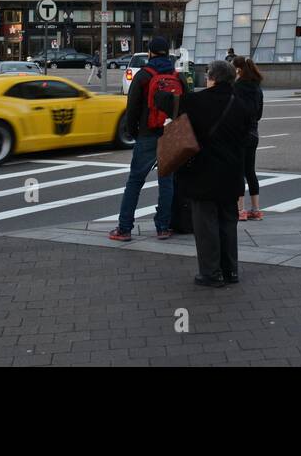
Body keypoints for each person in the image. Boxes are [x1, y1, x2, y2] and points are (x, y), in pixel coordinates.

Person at [155, 60, 252, 287]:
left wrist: (161, 90)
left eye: (208, 76)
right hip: (232, 174)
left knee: (206, 223)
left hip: (203, 175)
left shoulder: (198, 101)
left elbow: (167, 102)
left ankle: (211, 273)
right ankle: (231, 271)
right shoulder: (241, 105)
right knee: (228, 222)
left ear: (213, 78)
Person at [109, 36, 184, 242]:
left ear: (150, 53)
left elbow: (131, 109)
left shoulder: (143, 76)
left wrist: (134, 133)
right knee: (167, 182)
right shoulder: (177, 75)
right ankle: (163, 227)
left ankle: (124, 228)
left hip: (147, 134)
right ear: (167, 53)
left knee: (135, 181)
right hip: (170, 135)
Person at [232, 56, 265, 220]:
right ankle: (256, 209)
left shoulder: (237, 87)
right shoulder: (257, 88)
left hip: (238, 134)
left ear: (238, 70)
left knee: (238, 172)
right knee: (250, 171)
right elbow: (259, 114)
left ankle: (240, 210)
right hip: (253, 133)